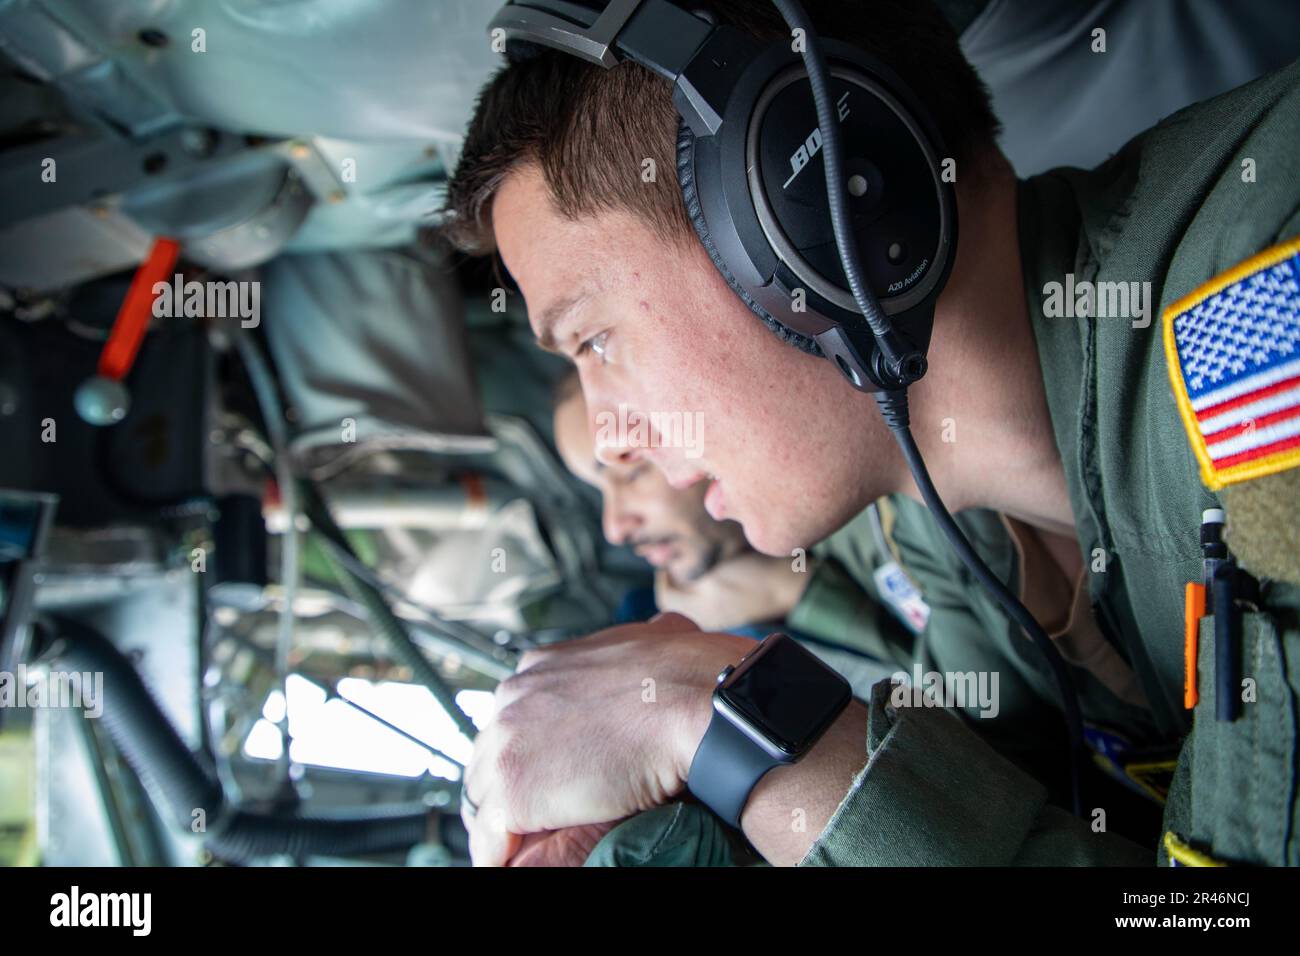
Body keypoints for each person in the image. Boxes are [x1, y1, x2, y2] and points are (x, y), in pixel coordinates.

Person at [443, 0, 1300, 867]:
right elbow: (996, 815)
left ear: (802, 201)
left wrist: (728, 718)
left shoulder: (1267, 324)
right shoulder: (950, 534)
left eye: (593, 338)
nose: (614, 439)